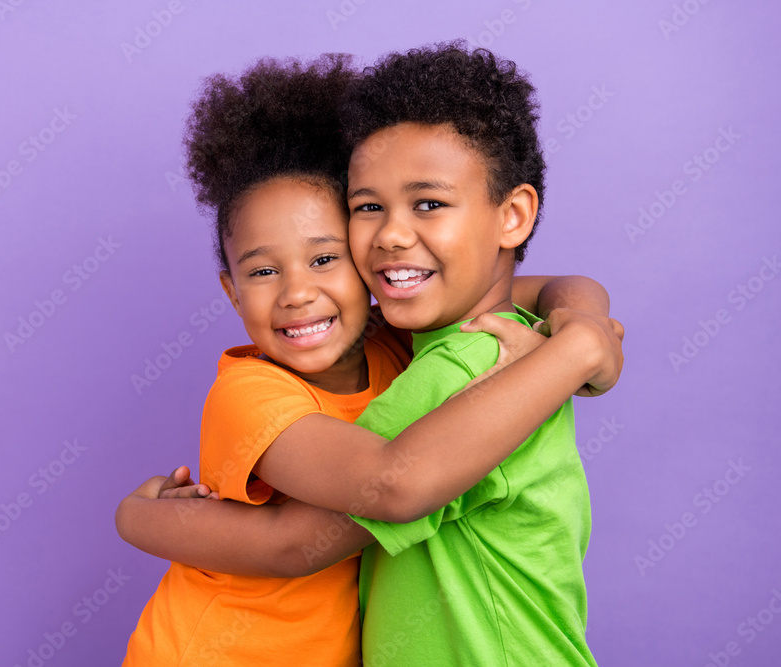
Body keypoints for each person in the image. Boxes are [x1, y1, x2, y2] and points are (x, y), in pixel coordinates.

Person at [118, 48, 623, 666]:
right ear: (231, 288)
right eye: (368, 208)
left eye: (428, 203)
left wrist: (139, 520)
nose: (389, 234)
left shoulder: (458, 370)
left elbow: (366, 500)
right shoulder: (435, 342)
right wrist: (581, 333)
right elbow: (547, 286)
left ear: (512, 214)